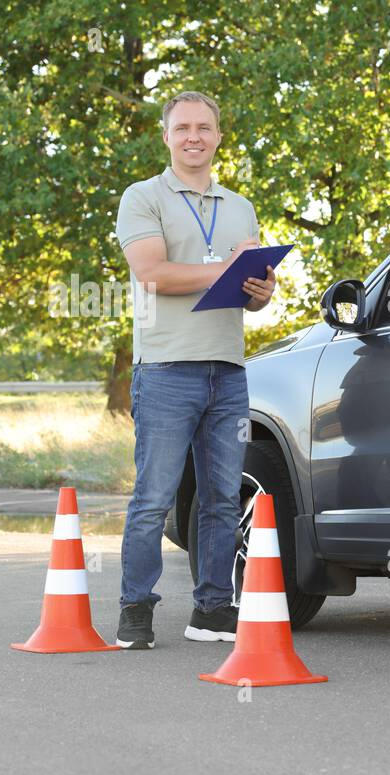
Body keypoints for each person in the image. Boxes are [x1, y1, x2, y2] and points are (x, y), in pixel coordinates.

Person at [113, 91, 277, 650]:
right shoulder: (142, 197)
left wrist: (260, 289)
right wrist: (224, 267)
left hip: (228, 369)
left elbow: (247, 292)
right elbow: (153, 273)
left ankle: (211, 610)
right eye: (183, 128)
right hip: (165, 369)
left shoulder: (240, 206)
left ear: (218, 136)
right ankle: (136, 610)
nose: (194, 137)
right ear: (166, 136)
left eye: (204, 128)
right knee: (155, 498)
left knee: (222, 499)